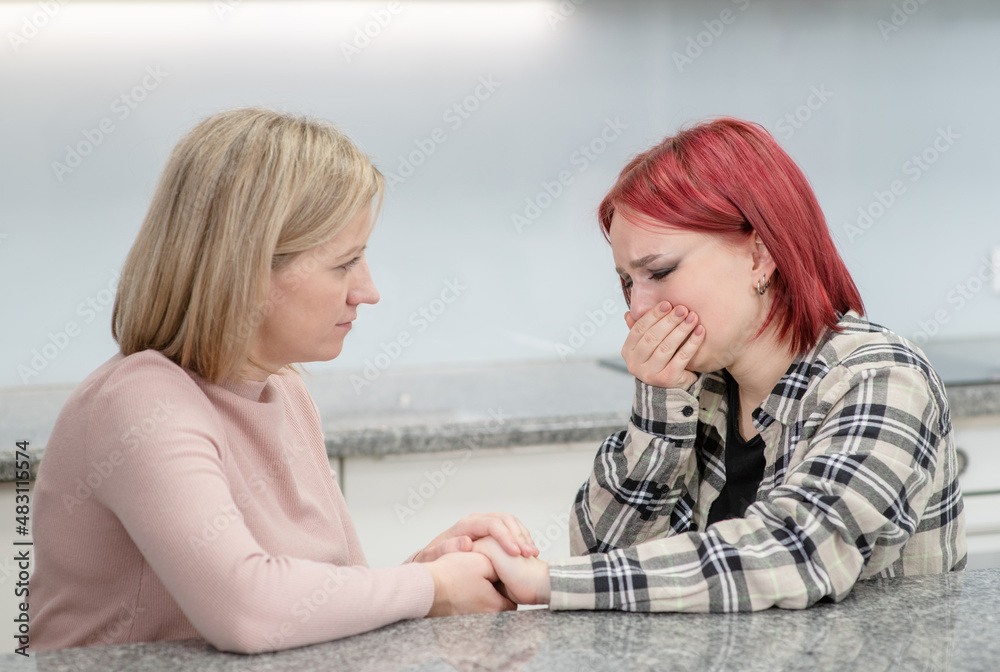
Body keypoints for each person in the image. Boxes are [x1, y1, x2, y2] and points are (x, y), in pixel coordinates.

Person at [28, 108, 537, 653]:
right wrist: (428, 587)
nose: (368, 291)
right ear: (246, 270)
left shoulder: (286, 391)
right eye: (345, 263)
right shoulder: (140, 401)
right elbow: (247, 610)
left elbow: (315, 599)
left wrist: (428, 572)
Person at [475, 117, 967, 611]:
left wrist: (547, 582)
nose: (638, 309)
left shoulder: (883, 379)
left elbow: (796, 554)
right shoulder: (702, 389)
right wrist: (657, 411)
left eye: (659, 271)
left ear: (760, 256)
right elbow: (603, 560)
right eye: (627, 281)